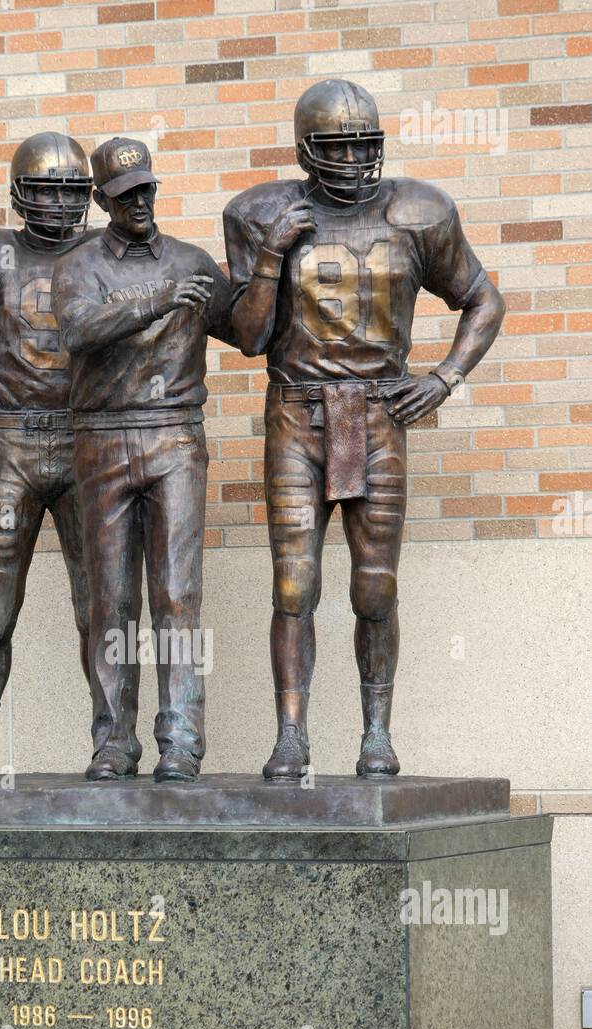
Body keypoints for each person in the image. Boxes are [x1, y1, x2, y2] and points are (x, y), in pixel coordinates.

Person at [223, 79, 505, 780]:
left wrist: (443, 377)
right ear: (305, 151)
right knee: (294, 583)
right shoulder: (261, 213)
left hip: (377, 414)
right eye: (337, 146)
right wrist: (269, 258)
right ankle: (292, 734)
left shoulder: (420, 211)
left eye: (362, 144)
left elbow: (482, 300)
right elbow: (249, 338)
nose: (351, 159)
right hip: (298, 412)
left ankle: (377, 731)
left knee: (375, 586)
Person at [50, 138, 235, 783]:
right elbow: (76, 331)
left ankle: (181, 738)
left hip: (174, 438)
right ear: (102, 199)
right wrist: (156, 300)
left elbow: (252, 331)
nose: (141, 202)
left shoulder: (191, 261)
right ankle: (113, 741)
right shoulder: (78, 265)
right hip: (100, 437)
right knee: (110, 599)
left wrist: (264, 264)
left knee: (177, 594)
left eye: (148, 189)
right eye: (127, 194)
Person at [0, 132, 94, 779]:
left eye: (71, 191)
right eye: (47, 190)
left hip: (88, 442)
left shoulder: (111, 257)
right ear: (20, 195)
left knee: (104, 606)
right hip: (10, 447)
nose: (58, 205)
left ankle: (109, 742)